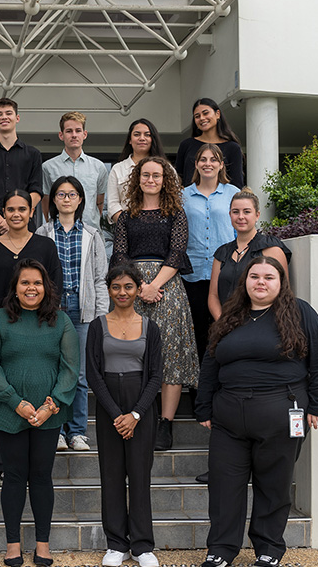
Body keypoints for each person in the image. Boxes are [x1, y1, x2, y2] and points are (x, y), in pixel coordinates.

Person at [195, 256, 318, 567]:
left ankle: (268, 550)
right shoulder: (231, 315)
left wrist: (317, 404)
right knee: (223, 485)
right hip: (229, 418)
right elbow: (211, 363)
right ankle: (220, 549)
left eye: (269, 277)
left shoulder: (300, 312)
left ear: (281, 282)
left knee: (274, 485)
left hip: (282, 414)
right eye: (254, 276)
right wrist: (203, 405)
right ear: (244, 281)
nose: (261, 282)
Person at [0, 259, 79, 567]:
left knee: (41, 477)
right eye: (25, 283)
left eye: (37, 282)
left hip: (48, 415)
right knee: (13, 477)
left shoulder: (61, 321)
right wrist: (16, 402)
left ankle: (43, 545)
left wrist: (52, 405)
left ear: (46, 287)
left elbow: (71, 368)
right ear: (15, 288)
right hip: (9, 412)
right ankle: (12, 544)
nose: (31, 288)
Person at [110, 156, 199, 452]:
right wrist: (137, 288)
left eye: (156, 175)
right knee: (134, 353)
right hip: (131, 288)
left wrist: (153, 286)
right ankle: (138, 416)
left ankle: (166, 423)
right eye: (145, 175)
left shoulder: (176, 213)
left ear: (165, 180)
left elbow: (177, 252)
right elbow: (120, 254)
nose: (151, 180)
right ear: (137, 179)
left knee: (170, 355)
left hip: (166, 287)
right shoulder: (125, 216)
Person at [86, 265, 163, 567]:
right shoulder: (97, 326)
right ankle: (116, 543)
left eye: (128, 287)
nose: (122, 292)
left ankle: (142, 545)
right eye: (116, 287)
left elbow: (156, 376)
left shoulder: (150, 327)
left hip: (140, 410)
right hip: (109, 410)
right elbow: (93, 374)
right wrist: (118, 415)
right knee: (112, 475)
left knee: (140, 476)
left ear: (137, 289)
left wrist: (134, 414)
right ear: (108, 290)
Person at [36, 177, 109, 452]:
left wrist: (101, 315)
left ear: (80, 199)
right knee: (52, 372)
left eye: (72, 194)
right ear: (53, 200)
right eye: (61, 194)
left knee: (78, 375)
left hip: (82, 310)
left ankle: (77, 431)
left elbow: (100, 279)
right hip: (51, 310)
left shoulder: (92, 234)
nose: (66, 199)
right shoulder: (42, 234)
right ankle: (55, 429)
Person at [182, 144, 240, 360]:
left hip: (225, 272)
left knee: (224, 327)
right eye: (203, 159)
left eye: (213, 159)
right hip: (192, 273)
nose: (208, 164)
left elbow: (240, 230)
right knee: (197, 331)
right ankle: (199, 389)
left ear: (221, 164)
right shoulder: (183, 196)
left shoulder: (233, 193)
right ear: (196, 164)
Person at [0, 189, 63, 324]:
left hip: (39, 322)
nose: (16, 214)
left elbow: (55, 284)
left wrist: (43, 316)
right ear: (4, 212)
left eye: (22, 209)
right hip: (0, 324)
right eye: (11, 210)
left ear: (31, 212)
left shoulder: (46, 245)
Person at [209, 189, 291, 322]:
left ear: (257, 215)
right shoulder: (221, 253)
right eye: (236, 212)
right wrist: (222, 324)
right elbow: (213, 296)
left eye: (247, 212)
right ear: (230, 215)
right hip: (225, 326)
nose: (241, 216)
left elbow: (283, 293)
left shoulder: (270, 248)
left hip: (262, 324)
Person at [0, 98, 44, 238]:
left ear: (17, 118)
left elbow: (36, 191)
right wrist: (2, 221)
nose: (4, 117)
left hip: (25, 230)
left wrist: (15, 219)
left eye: (8, 113)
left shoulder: (33, 154)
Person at [41, 111, 109, 241]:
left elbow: (99, 202)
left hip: (91, 232)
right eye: (69, 131)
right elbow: (46, 201)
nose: (74, 135)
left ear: (85, 134)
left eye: (78, 131)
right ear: (61, 135)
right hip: (58, 233)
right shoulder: (48, 167)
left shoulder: (98, 167)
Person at [105, 119, 171, 225]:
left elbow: (174, 199)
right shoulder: (118, 169)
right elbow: (113, 205)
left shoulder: (167, 168)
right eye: (137, 134)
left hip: (161, 228)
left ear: (153, 139)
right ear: (130, 140)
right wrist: (128, 225)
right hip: (127, 231)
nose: (142, 138)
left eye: (147, 135)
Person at [174, 99, 245, 188]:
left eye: (205, 113)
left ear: (217, 114)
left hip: (222, 201)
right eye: (197, 116)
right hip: (189, 199)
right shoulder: (186, 145)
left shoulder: (233, 148)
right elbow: (178, 179)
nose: (202, 118)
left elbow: (237, 183)